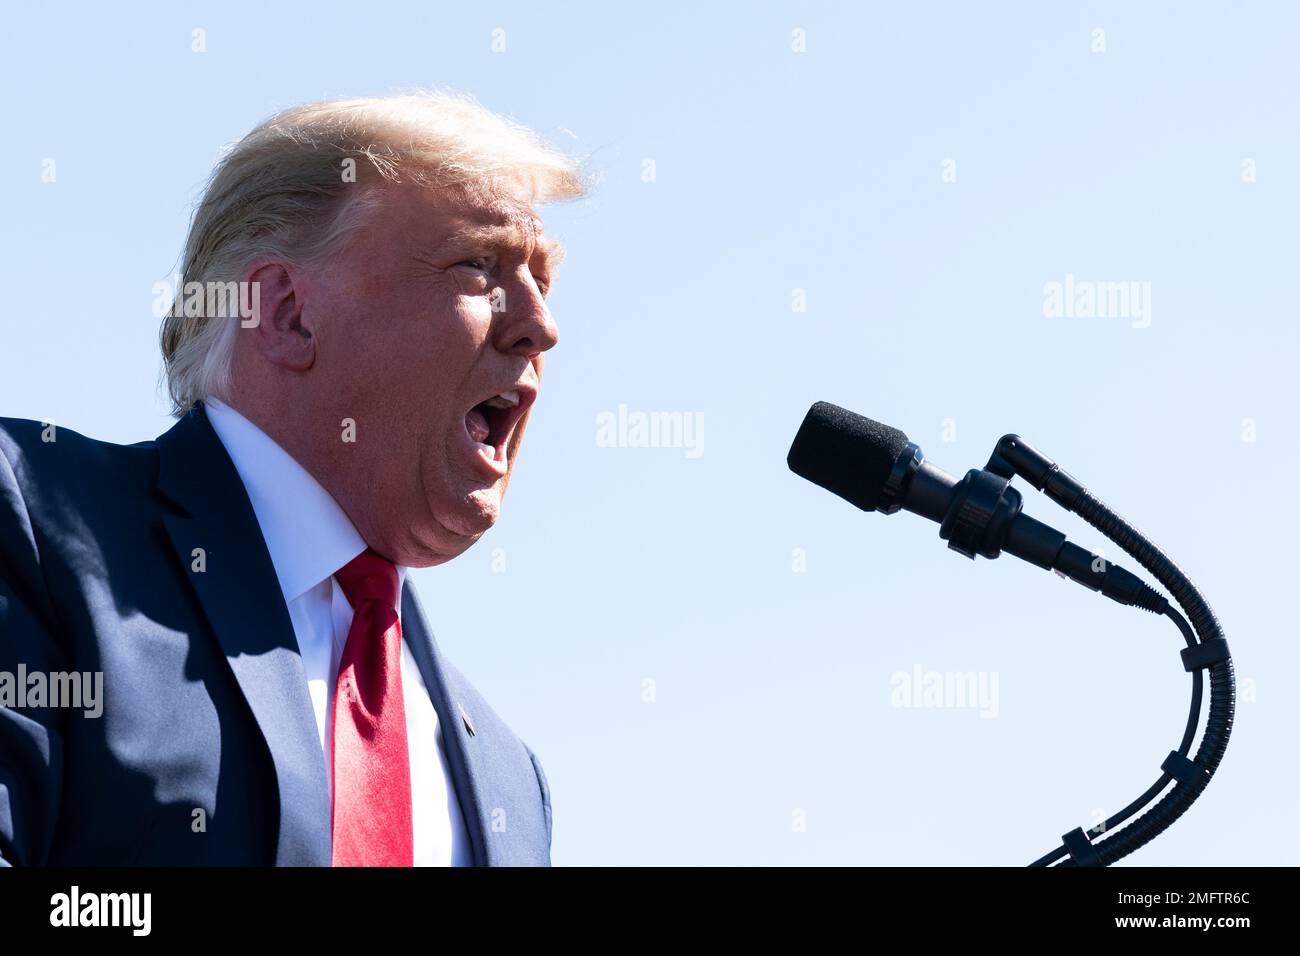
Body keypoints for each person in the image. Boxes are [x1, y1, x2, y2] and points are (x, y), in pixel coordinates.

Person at [0, 91, 584, 866]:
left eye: (543, 278)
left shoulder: (514, 781)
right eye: (479, 264)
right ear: (285, 313)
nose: (542, 325)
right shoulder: (38, 522)